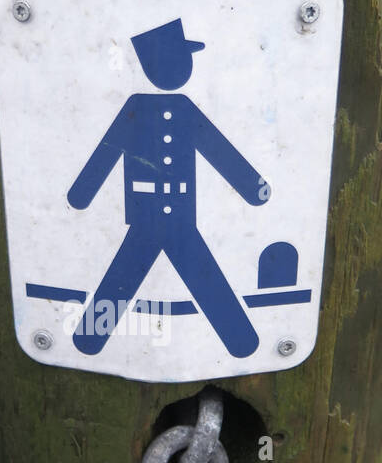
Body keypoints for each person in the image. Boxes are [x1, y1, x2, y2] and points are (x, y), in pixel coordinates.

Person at [67, 18, 269, 357]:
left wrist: (253, 187)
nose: (185, 69)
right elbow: (107, 151)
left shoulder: (185, 109)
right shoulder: (134, 107)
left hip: (180, 216)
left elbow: (218, 149)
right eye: (180, 60)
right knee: (121, 279)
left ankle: (242, 341)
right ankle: (88, 339)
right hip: (144, 216)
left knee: (206, 279)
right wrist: (81, 193)